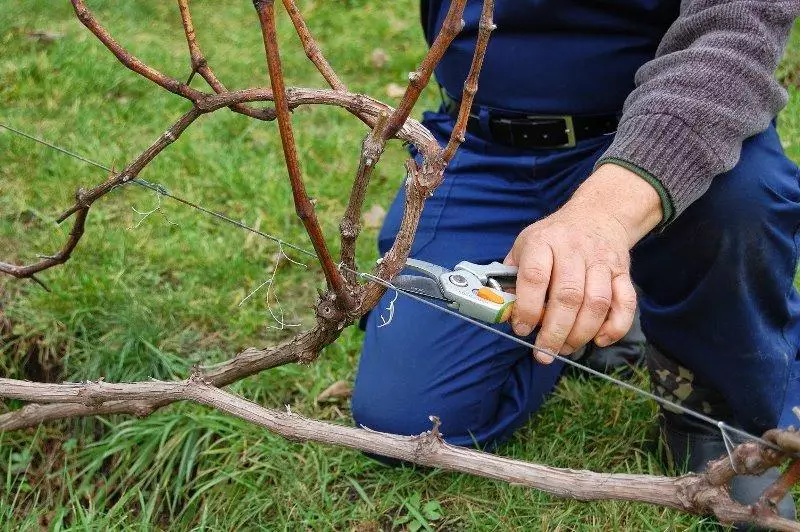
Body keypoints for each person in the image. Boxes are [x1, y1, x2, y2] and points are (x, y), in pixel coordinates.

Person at [352, 0, 800, 521]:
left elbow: (735, 37)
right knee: (400, 422)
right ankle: (588, 311)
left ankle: (716, 411)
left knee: (742, 201)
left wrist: (604, 216)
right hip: (481, 146)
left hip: (671, 128)